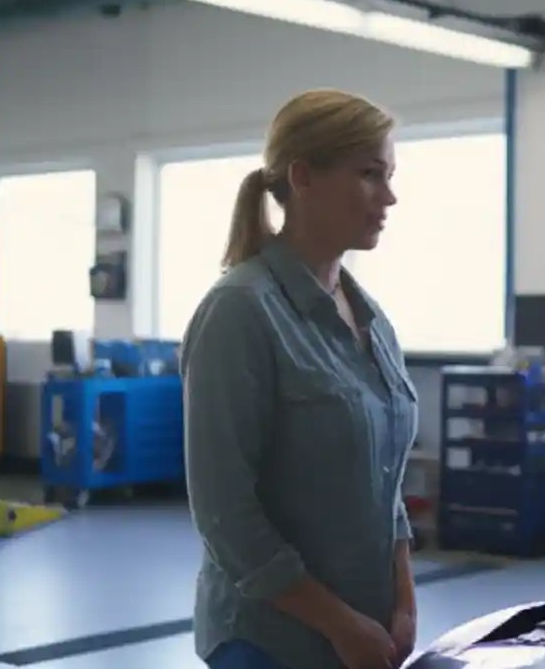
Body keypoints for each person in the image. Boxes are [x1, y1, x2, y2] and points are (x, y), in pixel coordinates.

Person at [181, 89, 419, 669]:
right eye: (369, 174)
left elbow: (385, 484)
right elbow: (225, 514)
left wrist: (404, 600)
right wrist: (338, 624)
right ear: (303, 176)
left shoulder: (371, 319)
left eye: (389, 176)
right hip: (271, 641)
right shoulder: (240, 312)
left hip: (366, 635)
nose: (389, 196)